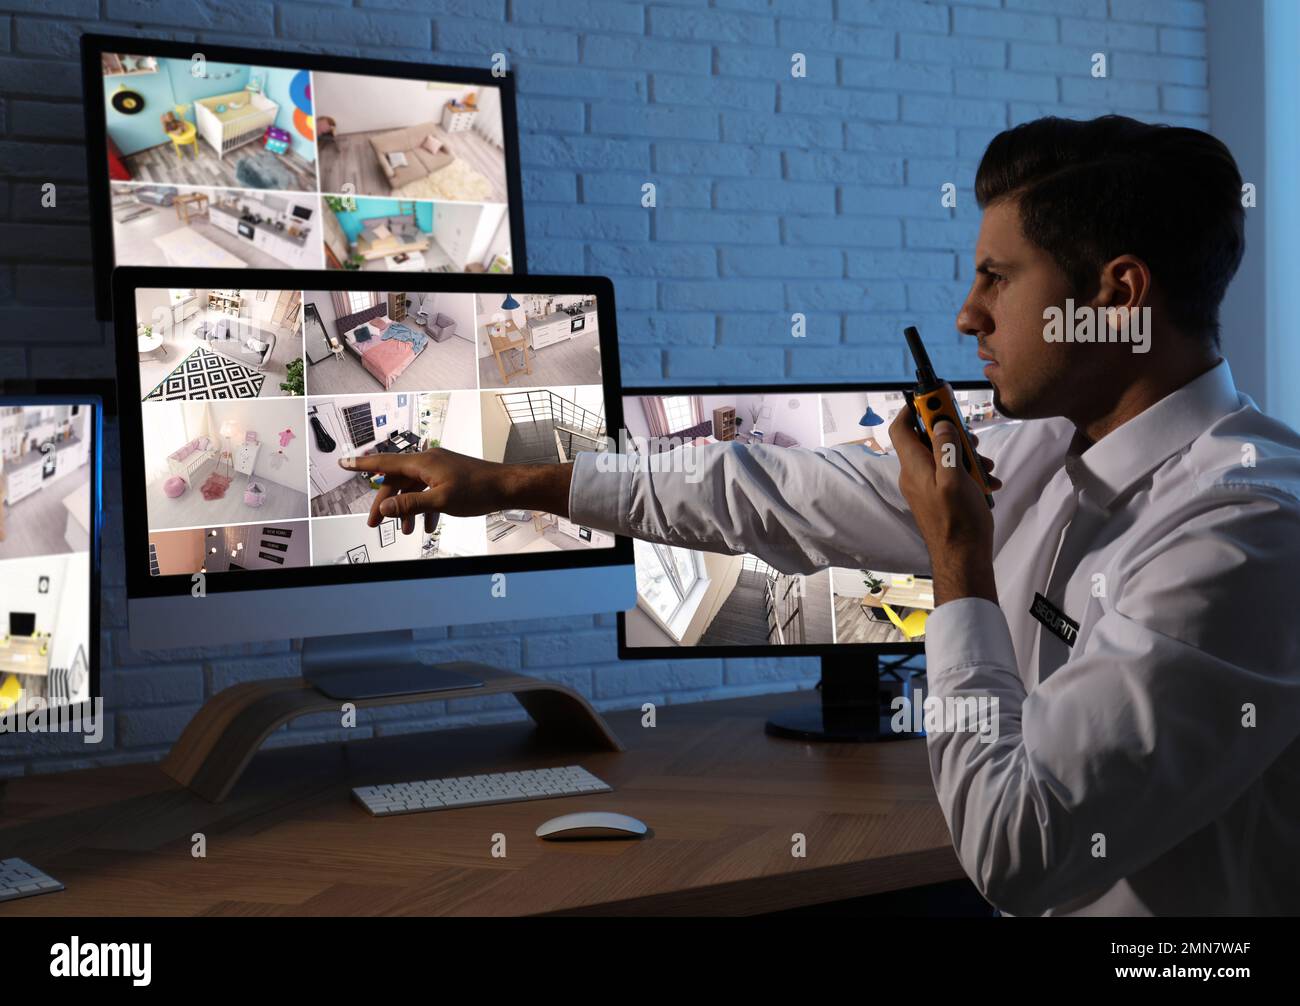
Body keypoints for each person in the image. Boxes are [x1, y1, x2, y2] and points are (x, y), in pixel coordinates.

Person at [340, 116, 1300, 917]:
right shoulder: (1045, 445)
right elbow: (764, 492)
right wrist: (510, 485)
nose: (967, 315)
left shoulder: (1243, 533)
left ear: (1117, 298)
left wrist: (958, 563)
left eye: (998, 279)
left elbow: (1018, 852)